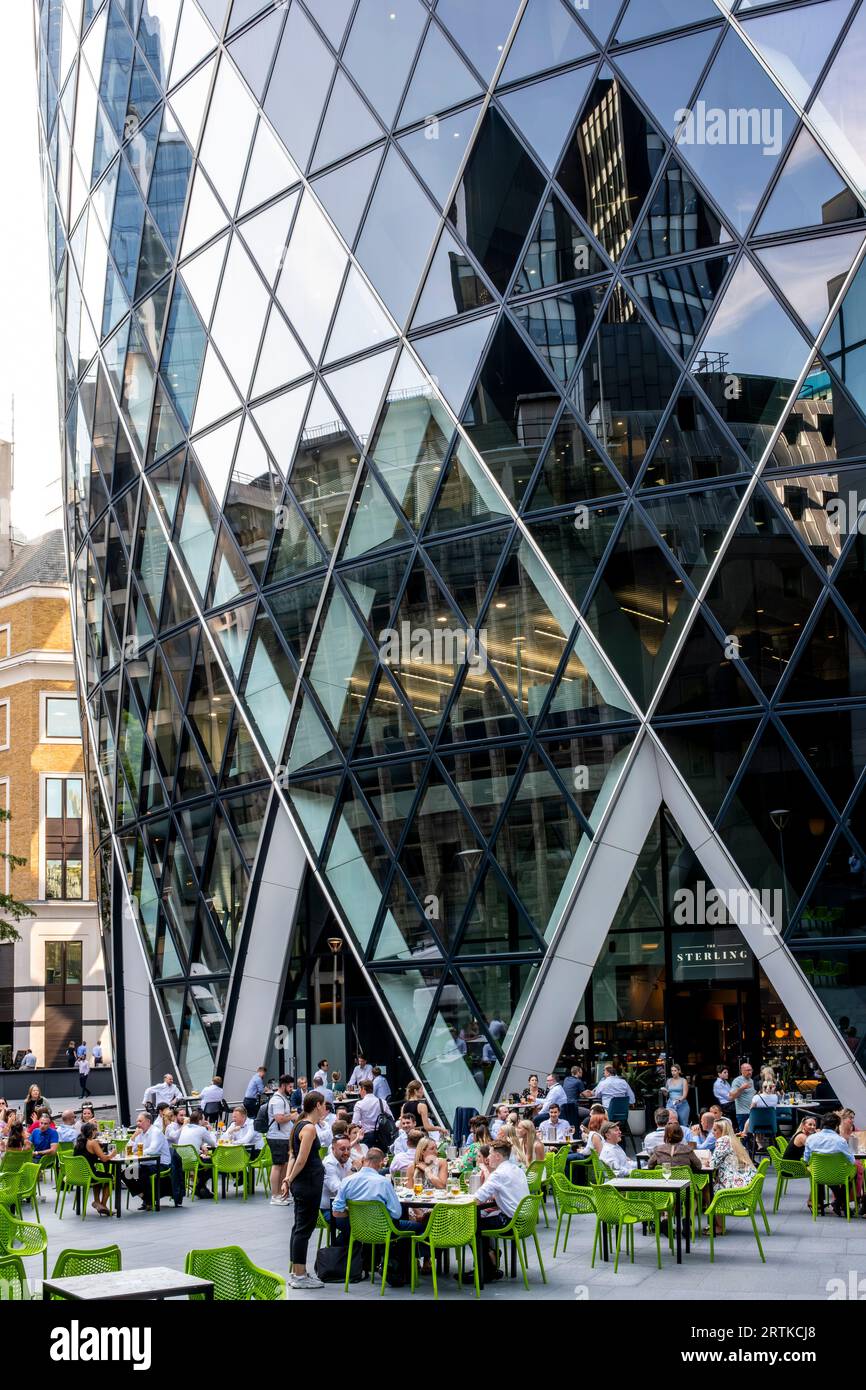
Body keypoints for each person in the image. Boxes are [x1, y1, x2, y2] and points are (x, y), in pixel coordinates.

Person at [332, 1149, 426, 1285]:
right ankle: (407, 1269)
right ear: (381, 1163)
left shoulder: (347, 1181)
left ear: (364, 1160)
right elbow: (397, 1213)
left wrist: (355, 1214)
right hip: (384, 1231)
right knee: (418, 1227)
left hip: (358, 1231)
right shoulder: (384, 1182)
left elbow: (336, 1211)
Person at [282, 1091, 328, 1290]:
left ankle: (297, 1270)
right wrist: (289, 1178)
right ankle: (299, 1275)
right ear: (317, 1105)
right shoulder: (309, 1128)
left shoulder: (298, 1126)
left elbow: (293, 1157)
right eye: (324, 1104)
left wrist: (287, 1179)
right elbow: (300, 1159)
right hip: (308, 1182)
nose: (326, 1108)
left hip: (302, 1182)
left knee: (299, 1227)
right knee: (304, 1229)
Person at [473, 1141, 531, 1282]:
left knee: (472, 1226)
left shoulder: (498, 1174)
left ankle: (485, 1271)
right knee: (481, 1221)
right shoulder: (517, 1169)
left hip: (511, 1223)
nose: (488, 1158)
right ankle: (489, 1262)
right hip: (525, 1221)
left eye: (491, 1154)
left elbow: (477, 1199)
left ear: (498, 1156)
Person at [804, 1113, 856, 1216]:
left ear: (822, 1124)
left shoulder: (811, 1139)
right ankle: (840, 1203)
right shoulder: (841, 1141)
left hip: (818, 1174)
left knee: (828, 1175)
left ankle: (838, 1203)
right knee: (852, 1175)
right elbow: (852, 1161)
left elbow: (806, 1159)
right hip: (838, 1175)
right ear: (837, 1126)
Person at [123, 1113, 172, 1211]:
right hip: (146, 1163)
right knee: (125, 1173)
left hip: (161, 1164)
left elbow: (153, 1150)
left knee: (142, 1172)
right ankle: (145, 1197)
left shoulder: (156, 1132)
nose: (137, 1123)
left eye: (140, 1121)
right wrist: (133, 1136)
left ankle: (149, 1201)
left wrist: (138, 1154)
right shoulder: (140, 1133)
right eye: (137, 1121)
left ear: (148, 1121)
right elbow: (128, 1149)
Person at [266, 1074, 296, 1207]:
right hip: (277, 1137)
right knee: (277, 1166)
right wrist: (292, 1116)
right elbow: (279, 1118)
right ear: (283, 1085)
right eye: (290, 1086)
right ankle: (275, 1195)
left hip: (282, 1137)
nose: (291, 1089)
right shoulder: (278, 1100)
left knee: (283, 1165)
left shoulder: (282, 1098)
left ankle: (282, 1194)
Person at [74, 1122, 116, 1216]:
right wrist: (112, 1154)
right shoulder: (92, 1142)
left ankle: (97, 1202)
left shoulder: (78, 1142)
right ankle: (103, 1205)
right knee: (109, 1177)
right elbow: (104, 1159)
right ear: (92, 1131)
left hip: (76, 1175)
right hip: (88, 1175)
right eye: (95, 1130)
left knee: (98, 1175)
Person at [712, 1118, 756, 1190]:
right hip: (748, 1183)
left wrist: (706, 1162)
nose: (712, 1133)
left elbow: (713, 1165)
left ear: (722, 1130)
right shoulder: (733, 1139)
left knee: (707, 1187)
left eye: (715, 1130)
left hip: (734, 1186)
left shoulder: (723, 1140)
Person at [321, 1134, 353, 1224]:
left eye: (348, 1149)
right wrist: (353, 1169)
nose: (346, 1152)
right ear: (333, 1149)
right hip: (327, 1210)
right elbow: (339, 1190)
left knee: (367, 1220)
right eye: (342, 1149)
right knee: (358, 1225)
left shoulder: (347, 1160)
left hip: (345, 1207)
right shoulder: (327, 1165)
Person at [742, 1080, 780, 1145]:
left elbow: (751, 1110)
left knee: (753, 1118)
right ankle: (761, 1145)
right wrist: (773, 1088)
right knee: (759, 1118)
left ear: (762, 1088)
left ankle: (745, 1133)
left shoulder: (756, 1097)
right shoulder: (775, 1097)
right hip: (771, 1124)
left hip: (757, 1124)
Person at [352, 1078, 387, 1146]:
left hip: (366, 1136)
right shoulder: (382, 1102)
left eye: (359, 1089)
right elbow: (391, 1118)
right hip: (381, 1136)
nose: (359, 1092)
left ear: (363, 1089)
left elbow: (354, 1123)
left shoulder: (359, 1104)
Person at [728, 1062, 756, 1132]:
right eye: (747, 1070)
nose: (750, 1072)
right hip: (742, 1113)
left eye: (751, 1070)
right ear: (742, 1071)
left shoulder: (751, 1080)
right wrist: (741, 1088)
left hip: (752, 1112)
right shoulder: (737, 1081)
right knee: (744, 1135)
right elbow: (731, 1097)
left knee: (752, 1134)